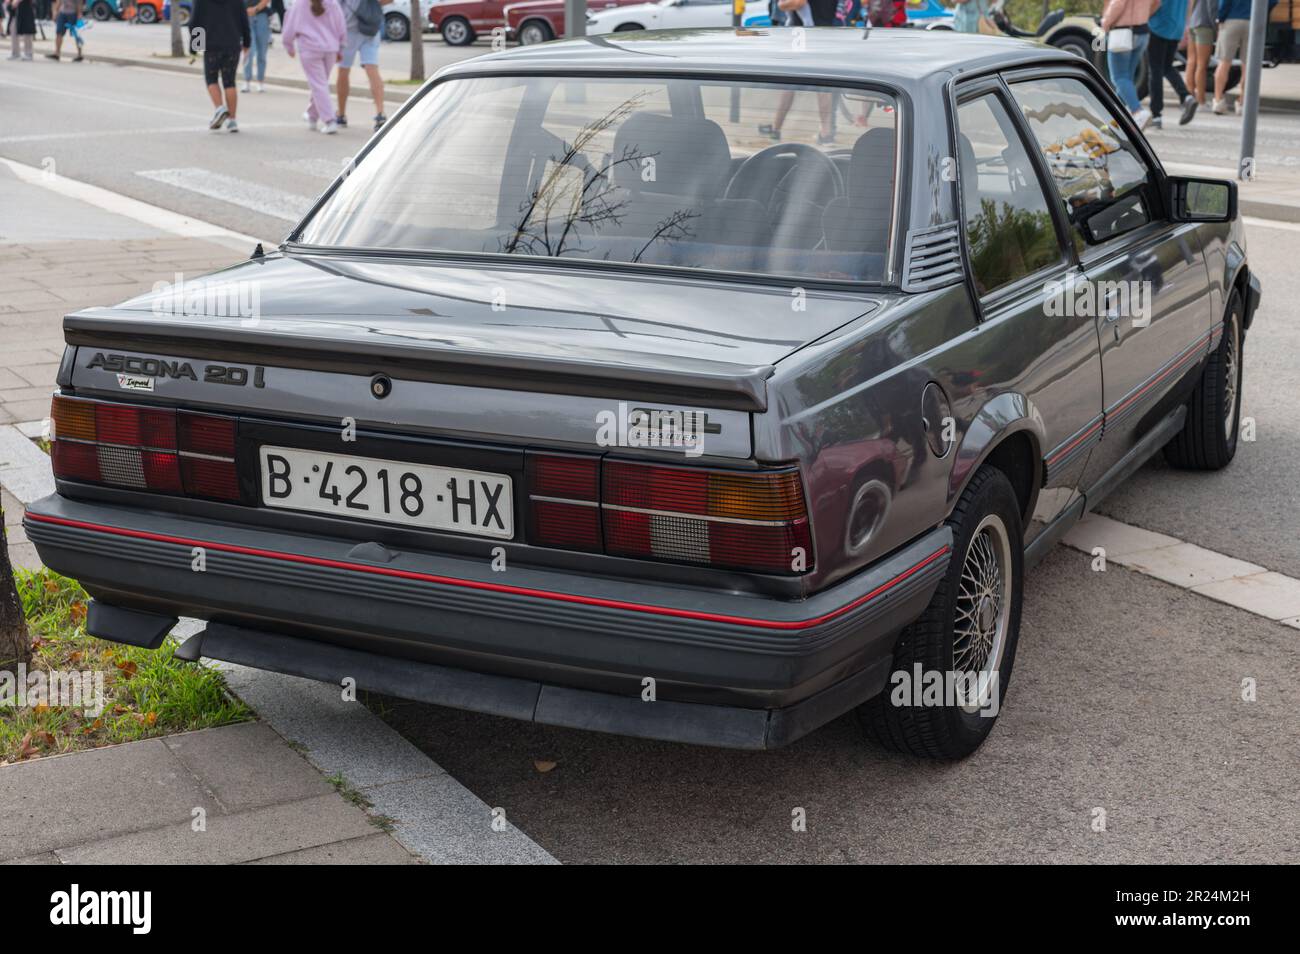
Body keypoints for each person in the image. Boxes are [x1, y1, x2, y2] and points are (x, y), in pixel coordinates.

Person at [758, 0, 841, 143]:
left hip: (805, 36)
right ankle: (826, 132)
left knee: (790, 84)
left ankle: (777, 128)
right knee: (823, 86)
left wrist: (781, 4)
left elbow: (797, 2)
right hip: (825, 32)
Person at [283, 0, 346, 134]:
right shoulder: (333, 3)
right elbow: (341, 27)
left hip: (310, 48)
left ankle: (329, 120)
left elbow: (289, 26)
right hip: (330, 48)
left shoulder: (300, 4)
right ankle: (312, 116)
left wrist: (288, 45)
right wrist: (341, 48)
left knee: (319, 85)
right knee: (320, 84)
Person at [189, 0, 250, 133]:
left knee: (211, 78)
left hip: (211, 44)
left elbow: (195, 22)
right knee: (230, 81)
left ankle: (220, 109)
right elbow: (243, 19)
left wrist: (195, 48)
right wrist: (247, 42)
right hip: (233, 44)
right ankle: (232, 121)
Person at [1102, 0, 1159, 129]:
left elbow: (1118, 4)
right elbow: (1157, 2)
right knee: (1127, 79)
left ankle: (1137, 111)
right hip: (1143, 31)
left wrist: (1105, 22)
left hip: (1123, 32)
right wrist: (1143, 16)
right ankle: (1115, 119)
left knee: (1118, 78)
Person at [1213, 0, 1277, 114]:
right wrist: (1261, 13)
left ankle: (1218, 101)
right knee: (1248, 65)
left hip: (1231, 20)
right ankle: (1242, 103)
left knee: (1224, 62)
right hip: (1253, 21)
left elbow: (1224, 2)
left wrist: (1220, 18)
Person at [336, 0, 391, 132]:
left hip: (348, 30)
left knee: (343, 70)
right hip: (370, 29)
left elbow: (333, 8)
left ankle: (341, 114)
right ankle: (380, 113)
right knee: (372, 68)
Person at [1147, 0, 1196, 127]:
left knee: (1155, 69)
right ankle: (1186, 96)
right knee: (1167, 67)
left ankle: (1156, 114)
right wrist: (1186, 25)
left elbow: (1156, 2)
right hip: (1176, 27)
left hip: (1158, 26)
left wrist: (1144, 18)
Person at [1184, 0, 1215, 108]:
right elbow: (1212, 7)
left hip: (1193, 23)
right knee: (1202, 64)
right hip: (1205, 25)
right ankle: (1201, 100)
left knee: (1191, 61)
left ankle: (1189, 97)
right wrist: (1216, 27)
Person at [241, 0, 271, 93]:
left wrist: (256, 8)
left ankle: (260, 81)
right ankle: (246, 81)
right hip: (246, 17)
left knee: (262, 52)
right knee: (249, 50)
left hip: (262, 17)